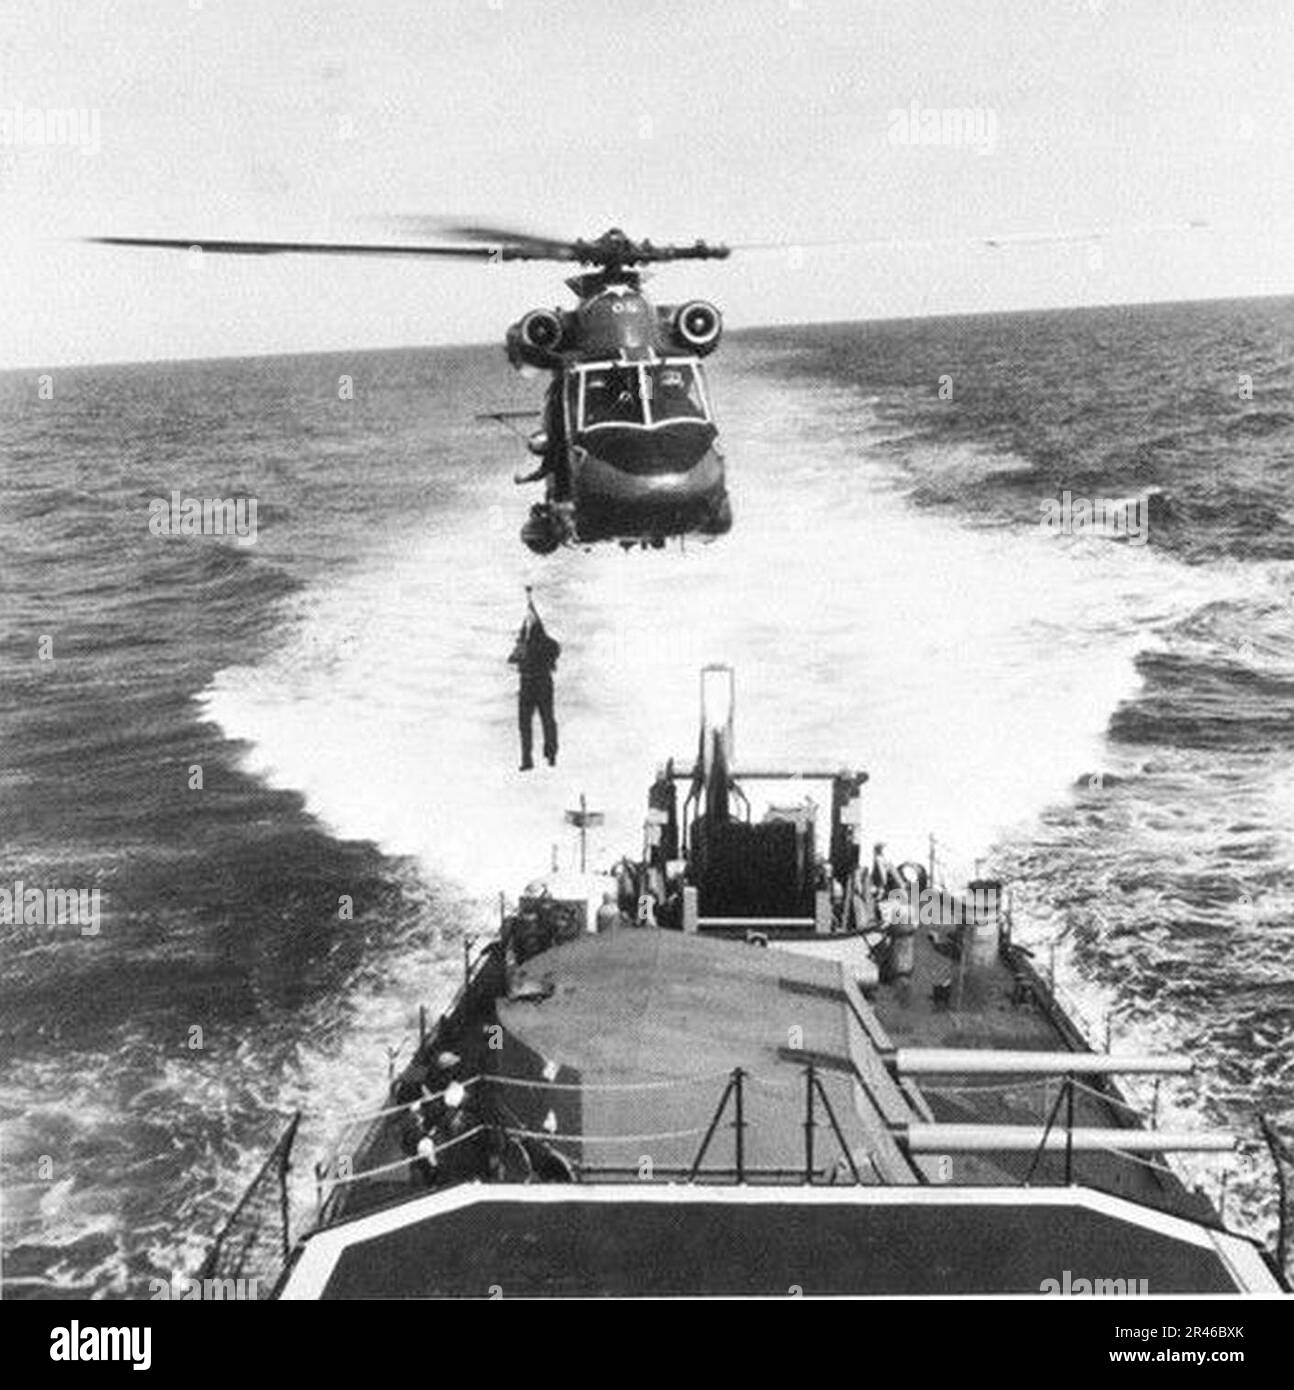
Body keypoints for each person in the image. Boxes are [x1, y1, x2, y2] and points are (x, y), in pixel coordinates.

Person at [509, 589, 560, 771]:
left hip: (528, 685)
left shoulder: (526, 644)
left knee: (525, 725)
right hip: (543, 683)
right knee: (547, 720)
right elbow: (554, 651)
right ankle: (551, 753)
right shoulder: (549, 644)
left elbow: (512, 659)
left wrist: (521, 640)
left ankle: (527, 759)